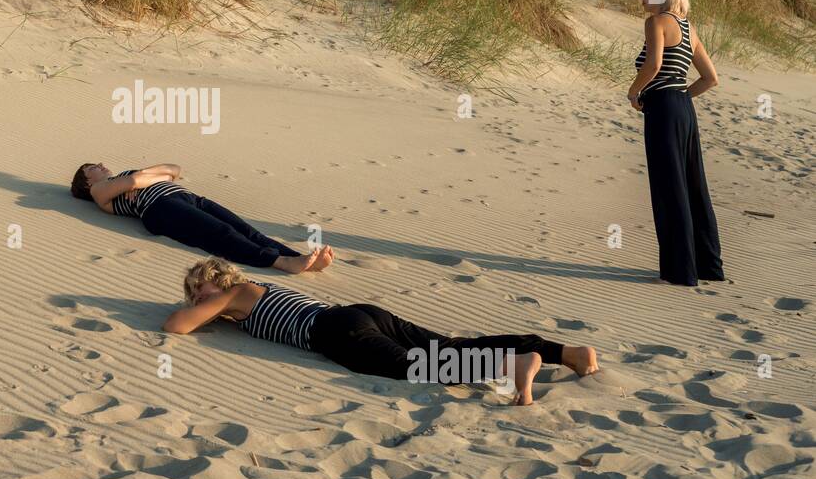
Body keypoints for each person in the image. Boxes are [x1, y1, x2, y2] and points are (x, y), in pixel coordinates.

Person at [165, 257, 599, 406]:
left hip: (334, 332)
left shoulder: (232, 293)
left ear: (214, 279)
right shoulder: (251, 291)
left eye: (196, 289)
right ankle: (568, 353)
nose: (195, 297)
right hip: (359, 313)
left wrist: (202, 309)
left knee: (411, 367)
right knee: (450, 346)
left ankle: (512, 365)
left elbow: (177, 326)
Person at [627, 0, 724, 286]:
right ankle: (708, 266)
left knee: (670, 187)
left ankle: (680, 271)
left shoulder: (655, 23)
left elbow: (653, 65)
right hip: (684, 108)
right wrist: (681, 95)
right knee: (694, 184)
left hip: (664, 110)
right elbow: (711, 78)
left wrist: (634, 91)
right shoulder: (688, 28)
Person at [71, 162, 332, 273]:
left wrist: (148, 176)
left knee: (246, 230)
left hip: (189, 198)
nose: (101, 165)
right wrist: (143, 179)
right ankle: (280, 262)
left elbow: (174, 169)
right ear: (87, 182)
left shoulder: (125, 177)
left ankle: (298, 258)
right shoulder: (99, 190)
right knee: (220, 234)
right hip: (161, 208)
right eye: (92, 168)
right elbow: (138, 180)